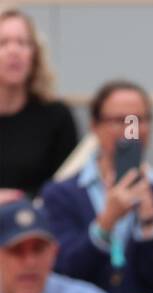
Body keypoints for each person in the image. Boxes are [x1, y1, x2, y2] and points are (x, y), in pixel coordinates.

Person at [41, 80, 153, 293]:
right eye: (119, 120)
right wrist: (107, 221)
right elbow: (63, 270)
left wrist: (149, 221)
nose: (131, 131)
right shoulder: (61, 195)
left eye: (139, 120)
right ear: (95, 126)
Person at [0, 8, 77, 200]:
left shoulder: (57, 116)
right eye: (3, 43)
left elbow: (67, 186)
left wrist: (19, 198)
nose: (14, 51)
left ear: (34, 55)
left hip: (36, 222)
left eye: (23, 43)